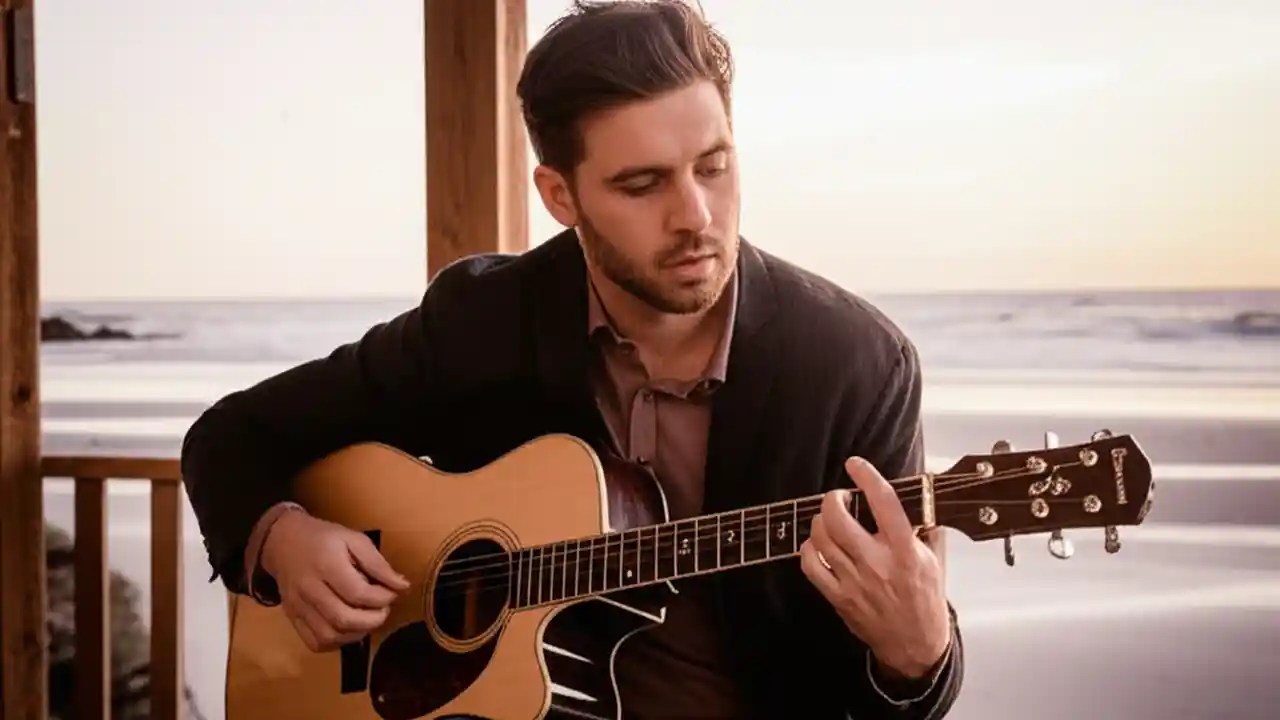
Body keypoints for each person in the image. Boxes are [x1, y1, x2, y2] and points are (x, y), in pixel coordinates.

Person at [181, 1, 964, 717]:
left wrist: (919, 657)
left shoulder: (855, 367)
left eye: (713, 166)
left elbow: (893, 695)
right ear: (560, 196)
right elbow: (230, 437)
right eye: (642, 184)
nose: (695, 216)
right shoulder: (483, 322)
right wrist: (281, 539)